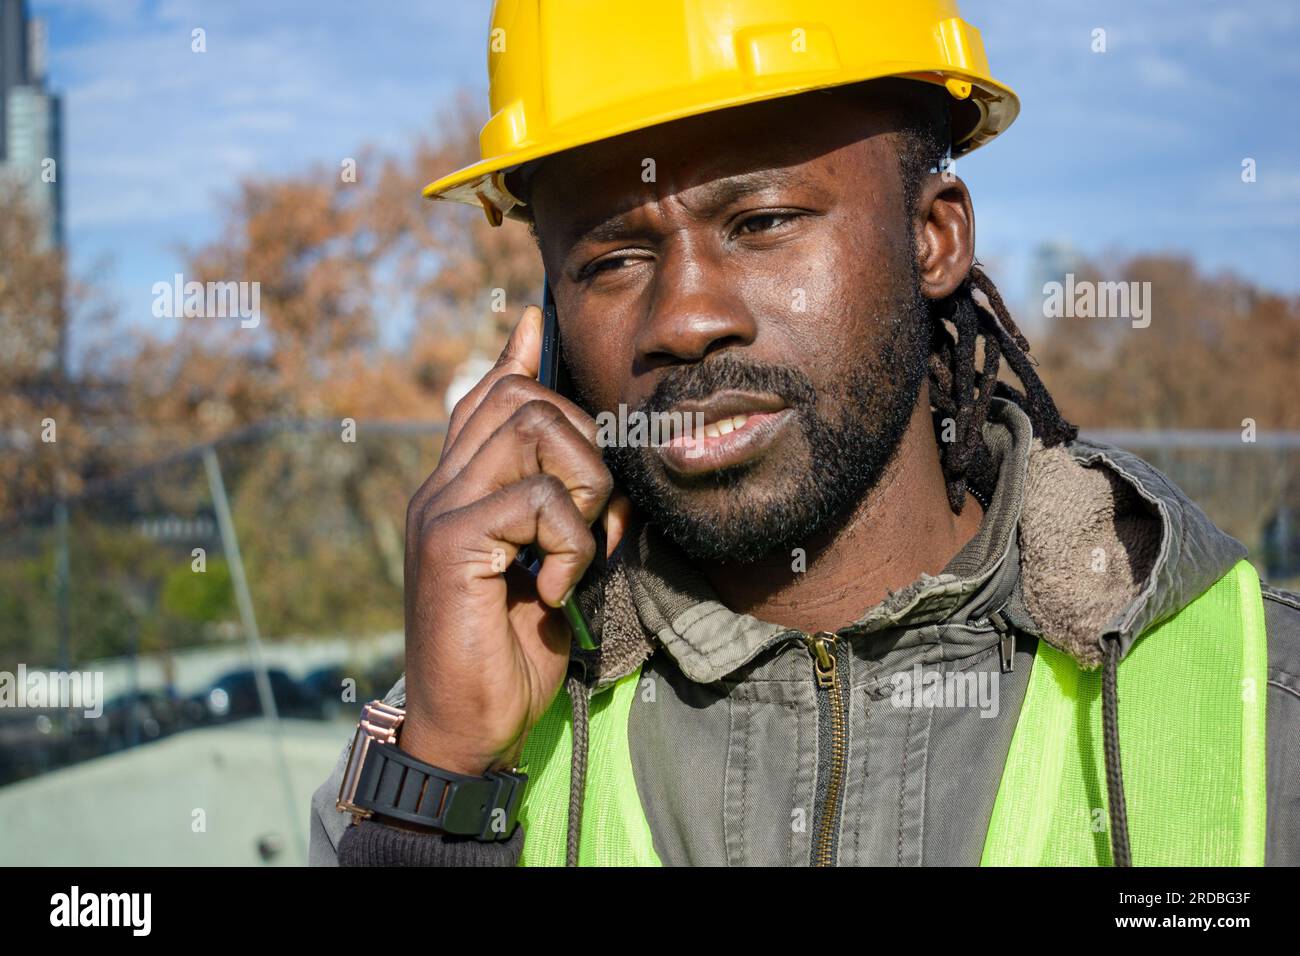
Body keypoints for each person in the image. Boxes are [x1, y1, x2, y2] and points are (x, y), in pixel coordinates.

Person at [311, 0, 1300, 866]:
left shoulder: (1267, 703)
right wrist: (438, 792)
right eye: (612, 258)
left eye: (763, 222)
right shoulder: (443, 741)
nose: (684, 318)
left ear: (934, 237)